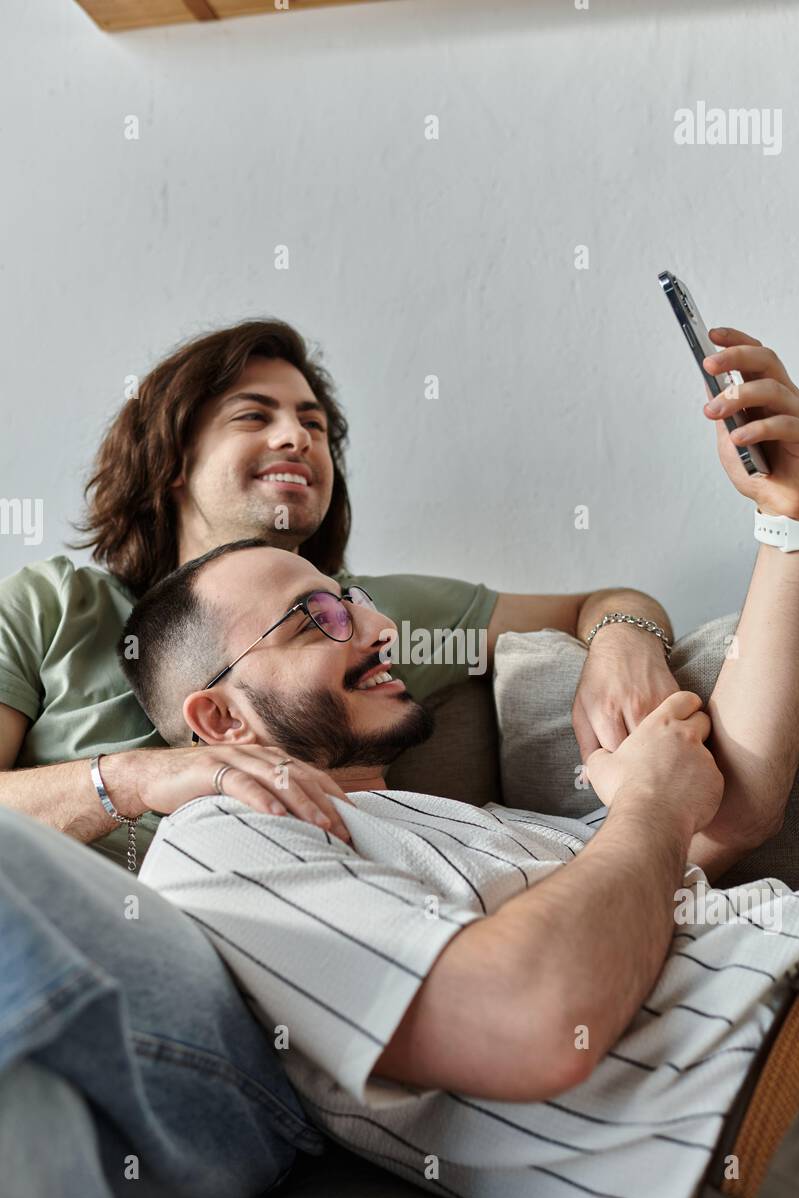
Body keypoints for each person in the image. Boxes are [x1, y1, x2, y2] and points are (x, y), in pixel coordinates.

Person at [125, 338, 799, 1198]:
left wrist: (792, 520)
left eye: (358, 604)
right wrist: (647, 805)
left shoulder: (456, 820)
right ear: (218, 719)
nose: (381, 628)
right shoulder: (215, 847)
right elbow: (529, 1019)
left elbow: (737, 807)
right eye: (319, 621)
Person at [0, 317, 676, 872]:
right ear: (173, 461)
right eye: (254, 416)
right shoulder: (51, 606)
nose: (296, 437)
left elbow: (607, 600)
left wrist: (622, 642)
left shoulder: (369, 620)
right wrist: (136, 779)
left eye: (314, 425)